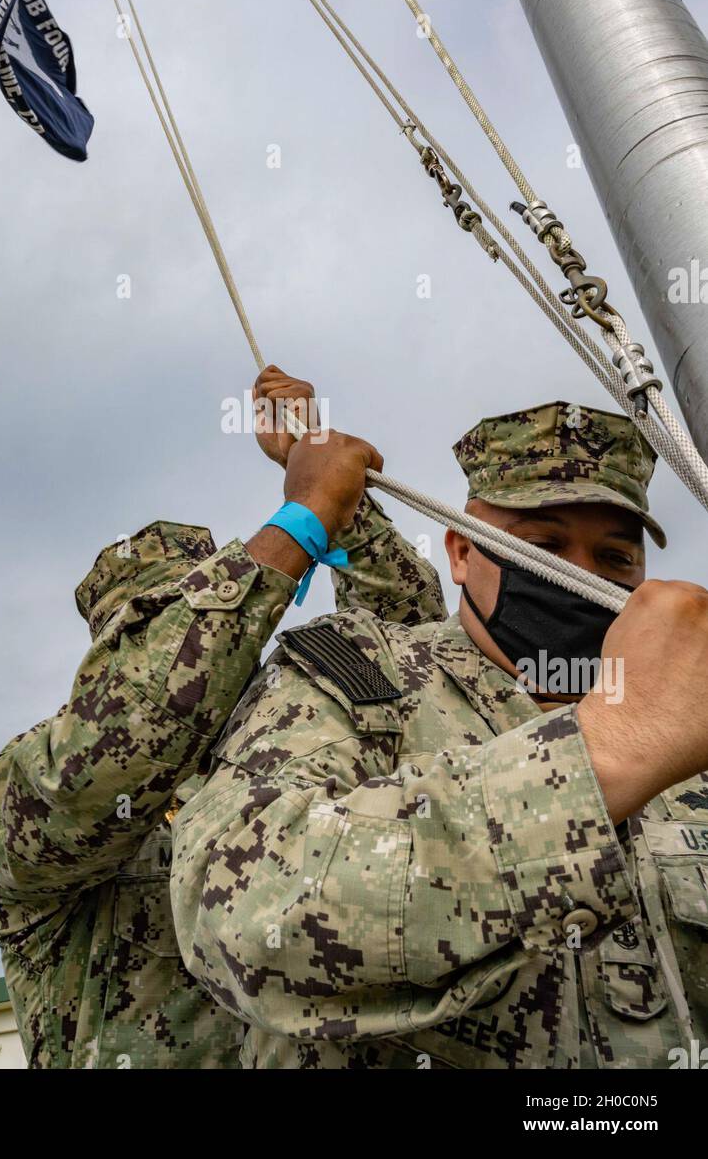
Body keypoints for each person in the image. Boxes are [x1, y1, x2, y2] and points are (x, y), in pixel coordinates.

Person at [170, 389, 708, 1068]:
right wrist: (597, 760)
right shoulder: (360, 677)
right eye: (543, 545)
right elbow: (237, 916)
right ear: (460, 554)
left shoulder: (692, 726)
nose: (578, 576)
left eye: (614, 558)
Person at [0, 368, 445, 1067]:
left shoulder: (281, 752)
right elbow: (136, 724)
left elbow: (412, 664)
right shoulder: (30, 789)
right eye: (158, 632)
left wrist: (328, 484)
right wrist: (302, 520)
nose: (207, 647)